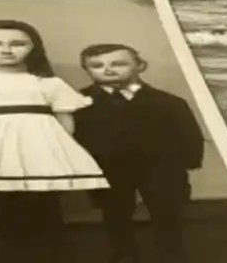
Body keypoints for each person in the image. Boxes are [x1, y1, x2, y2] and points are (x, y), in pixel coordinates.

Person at [0, 19, 109, 262]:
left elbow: (65, 119)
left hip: (42, 149)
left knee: (46, 204)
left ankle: (51, 254)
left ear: (34, 47)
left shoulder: (48, 83)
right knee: (4, 205)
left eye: (17, 43)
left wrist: (58, 150)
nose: (6, 50)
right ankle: (14, 253)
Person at [74, 43, 204, 263]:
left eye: (119, 63)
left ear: (140, 65)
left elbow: (189, 134)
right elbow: (74, 136)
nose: (108, 70)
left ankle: (171, 253)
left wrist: (188, 161)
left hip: (160, 168)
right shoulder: (78, 103)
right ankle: (123, 253)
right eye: (96, 65)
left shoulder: (168, 102)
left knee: (167, 211)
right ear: (86, 69)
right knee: (115, 213)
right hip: (108, 168)